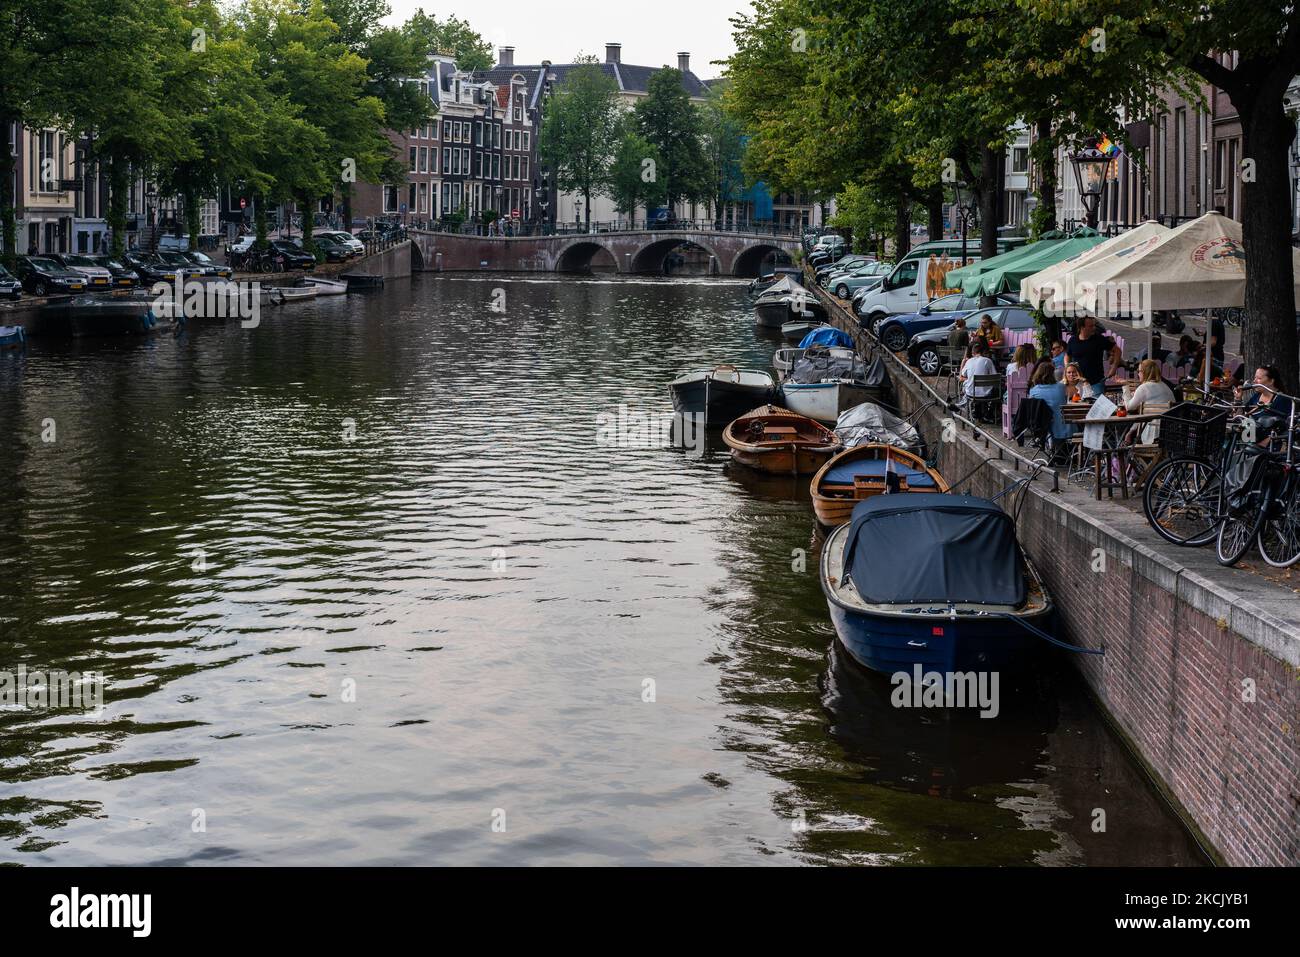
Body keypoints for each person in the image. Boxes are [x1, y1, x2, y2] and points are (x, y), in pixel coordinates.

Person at [1125, 359, 1176, 444]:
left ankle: (1120, 454)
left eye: (1139, 371)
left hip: (1152, 435)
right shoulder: (1165, 386)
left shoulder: (1144, 387)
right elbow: (1145, 414)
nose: (1138, 374)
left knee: (1121, 431)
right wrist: (1131, 431)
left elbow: (1128, 407)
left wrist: (1125, 387)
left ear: (1145, 372)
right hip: (1169, 434)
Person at [1066, 316, 1122, 391]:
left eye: (1094, 325)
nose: (1094, 328)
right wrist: (1067, 367)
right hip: (1078, 383)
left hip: (1096, 382)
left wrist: (1114, 367)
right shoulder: (1073, 340)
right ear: (1082, 327)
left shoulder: (1099, 339)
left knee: (1096, 402)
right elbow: (1067, 355)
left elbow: (1118, 351)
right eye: (1091, 326)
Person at [1028, 362, 1074, 440]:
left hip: (1042, 426)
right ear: (1053, 373)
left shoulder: (1034, 391)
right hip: (1063, 425)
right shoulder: (1061, 387)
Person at [957, 339, 997, 408]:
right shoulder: (988, 361)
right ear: (983, 352)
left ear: (973, 353)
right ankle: (991, 412)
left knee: (967, 386)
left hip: (971, 394)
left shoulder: (969, 361)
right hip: (986, 394)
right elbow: (995, 378)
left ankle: (962, 405)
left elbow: (961, 377)